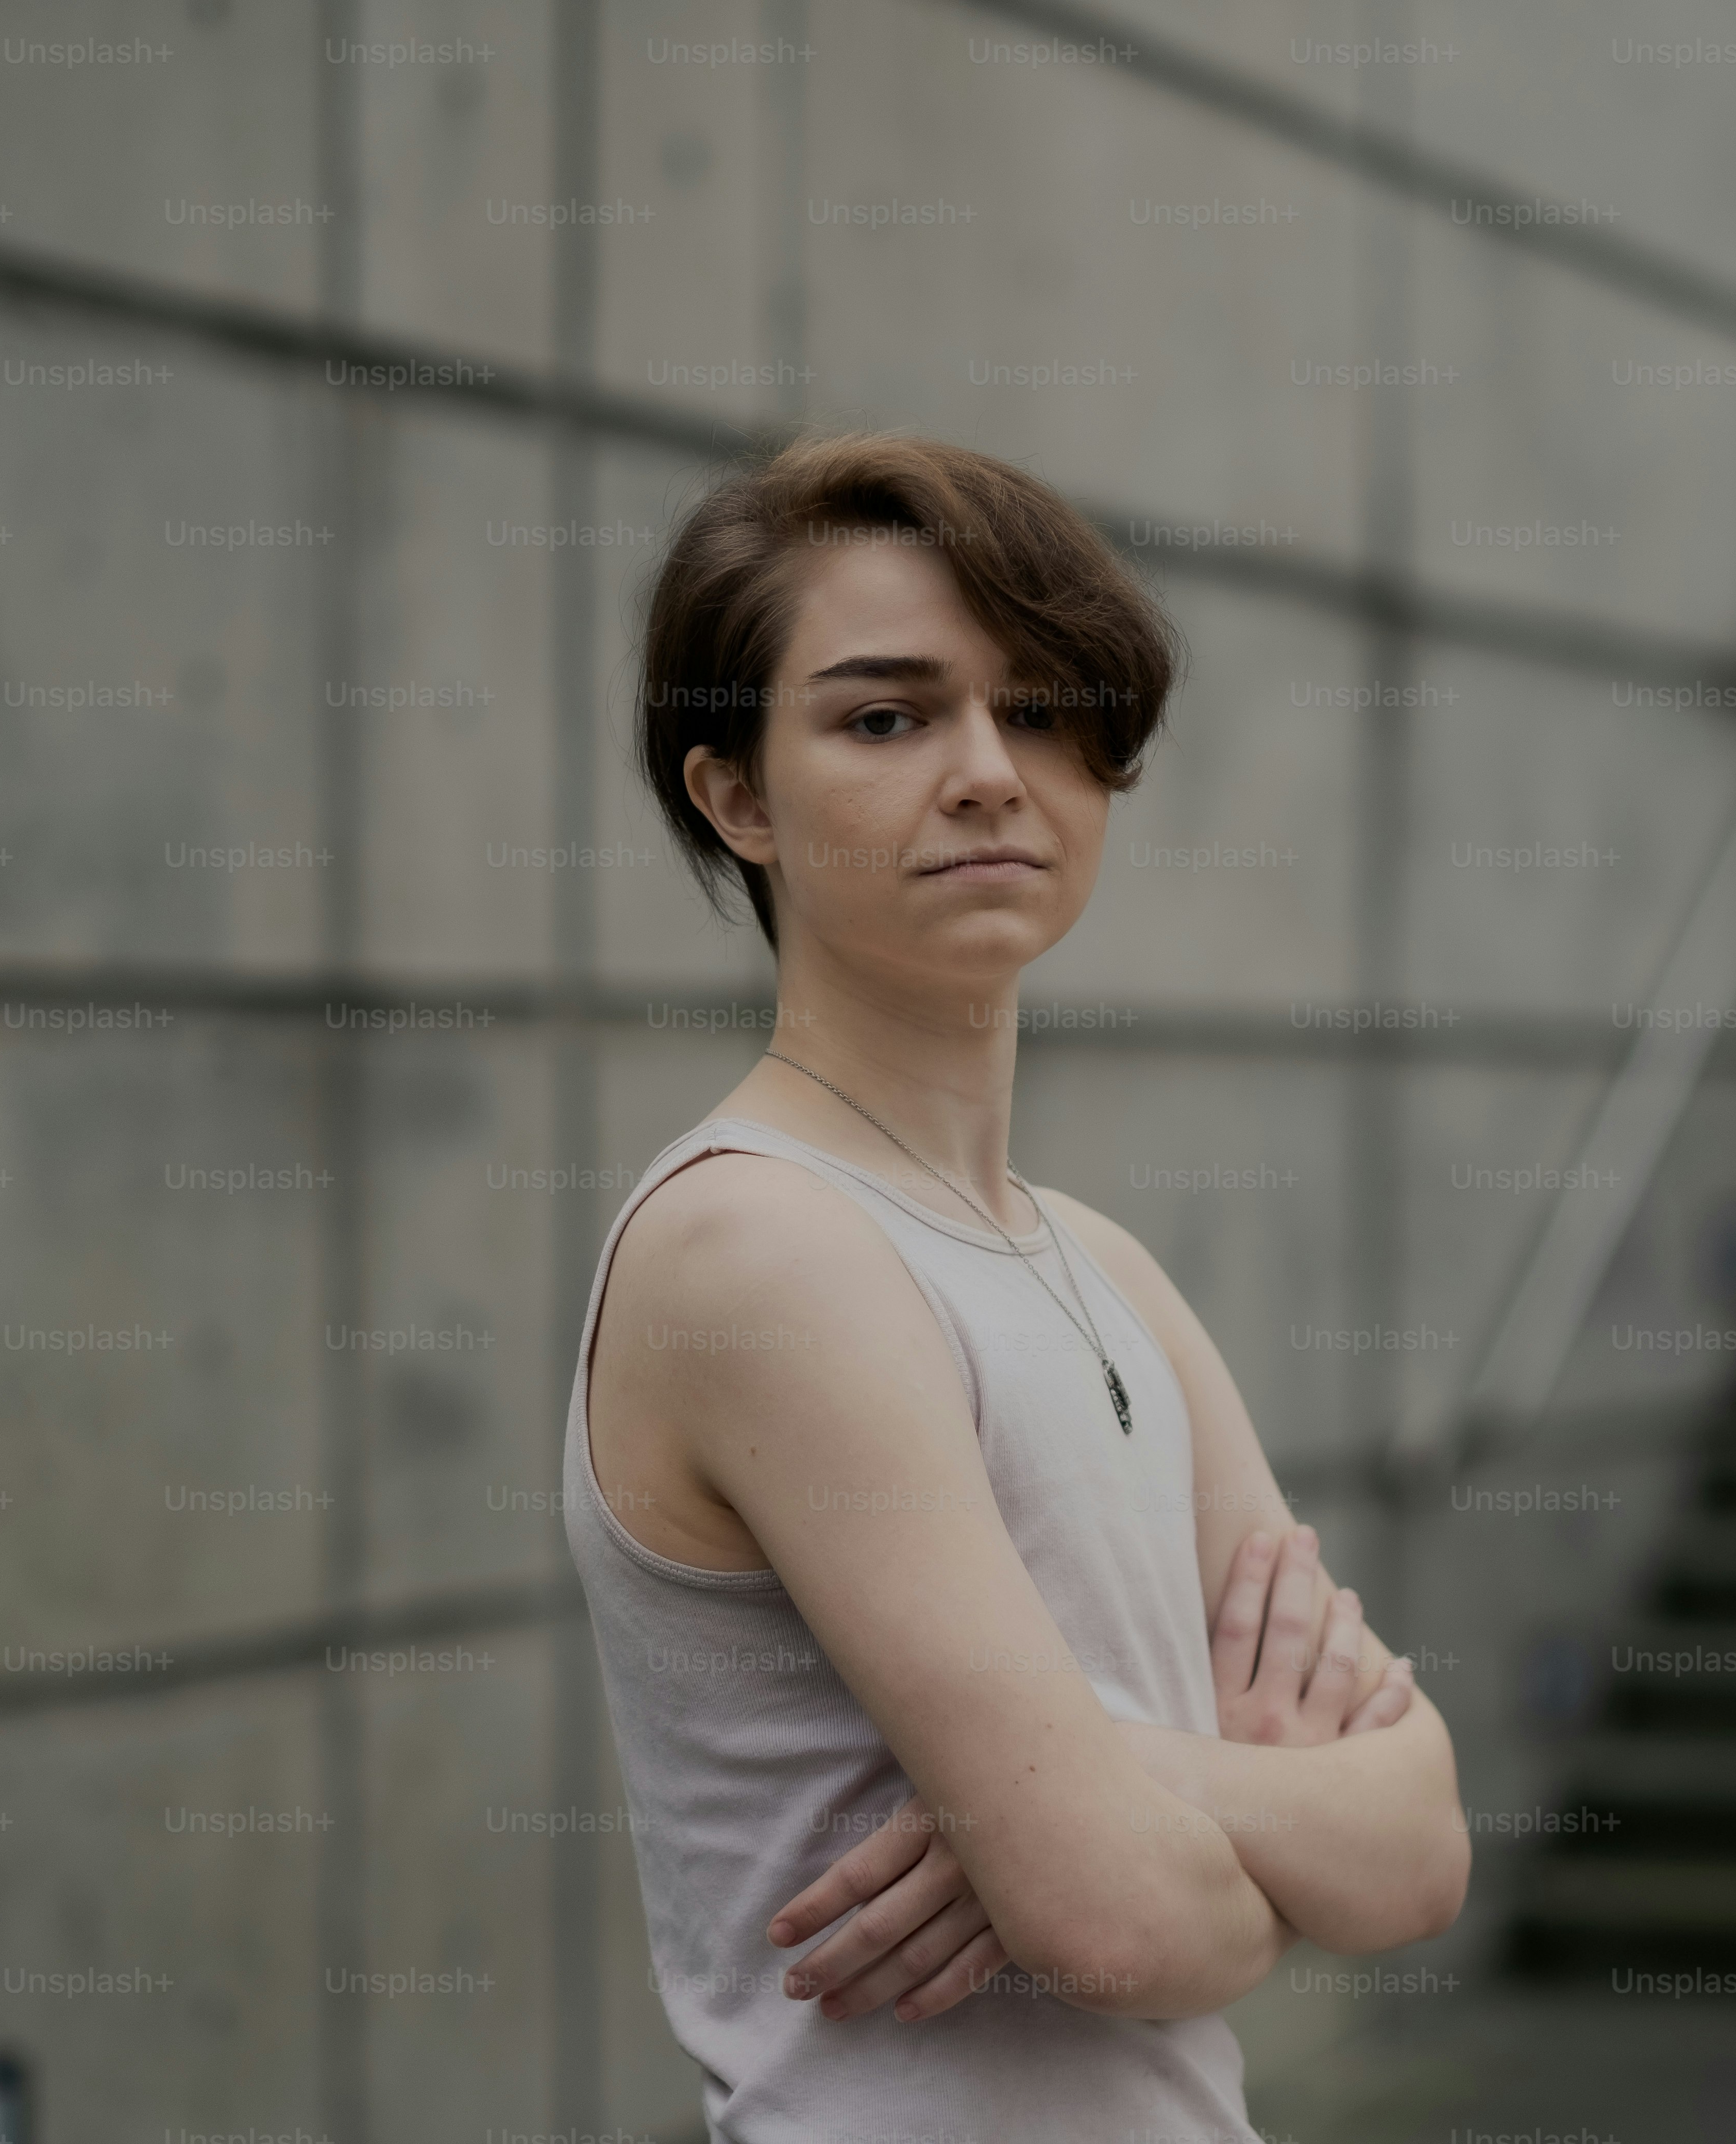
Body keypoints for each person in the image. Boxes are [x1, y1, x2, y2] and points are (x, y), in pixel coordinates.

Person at [562, 432, 1469, 2143]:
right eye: (886, 718)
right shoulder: (755, 1244)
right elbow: (1128, 1924)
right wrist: (1222, 1811)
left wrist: (1097, 1780)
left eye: (1041, 707)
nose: (989, 771)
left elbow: (1421, 1852)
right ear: (737, 797)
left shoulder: (1095, 1263)